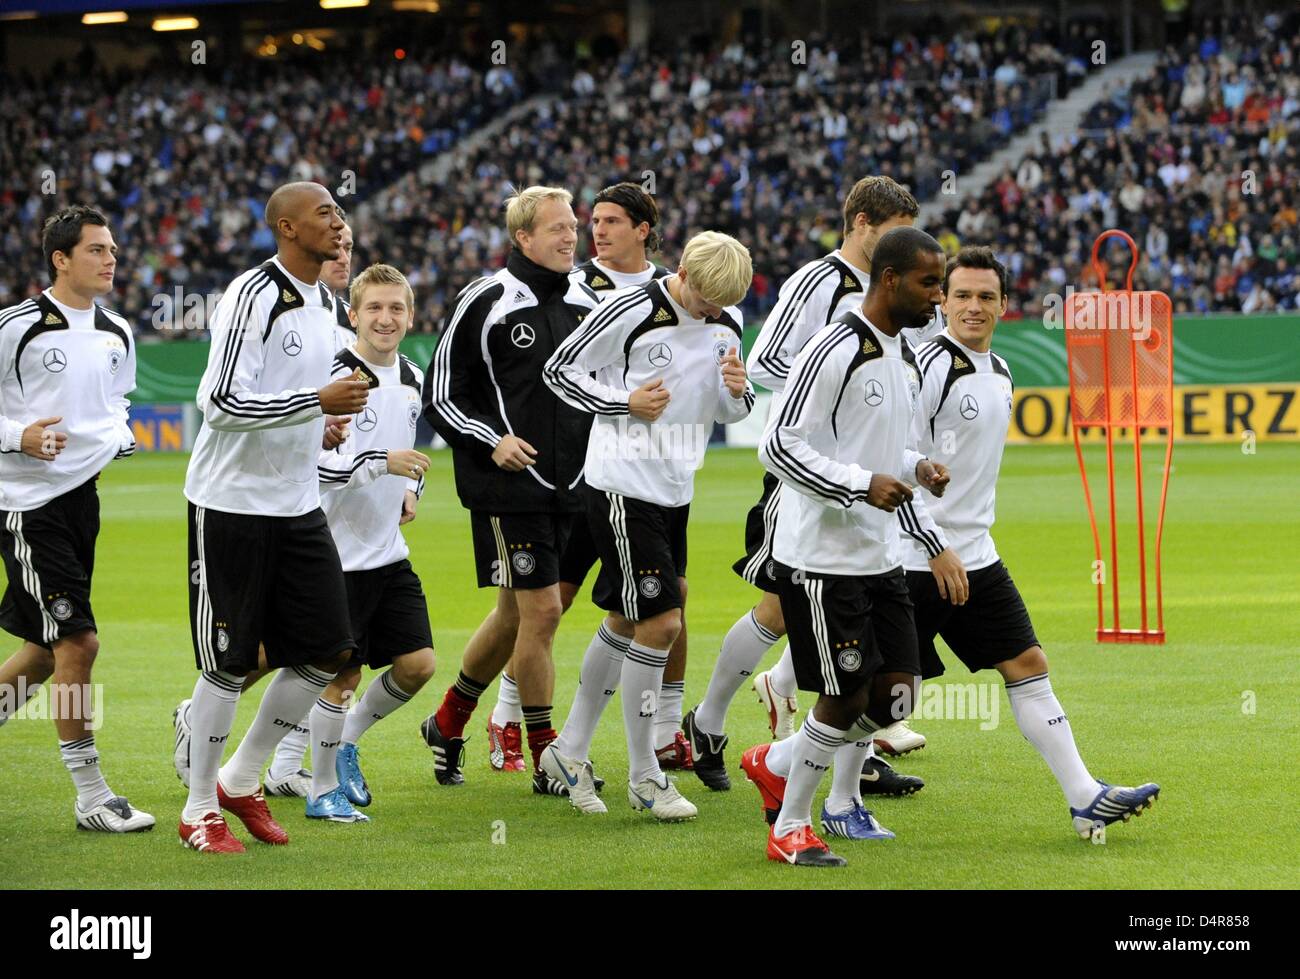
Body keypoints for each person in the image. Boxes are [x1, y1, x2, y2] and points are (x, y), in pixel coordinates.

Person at [688, 175, 932, 796]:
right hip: (804, 477)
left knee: (830, 608)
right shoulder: (818, 282)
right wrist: (832, 382)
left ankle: (841, 743)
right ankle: (712, 722)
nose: (900, 242)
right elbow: (768, 360)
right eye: (891, 230)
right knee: (780, 606)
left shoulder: (892, 293)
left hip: (862, 478)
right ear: (859, 223)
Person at [905, 246, 1160, 840]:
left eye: (985, 297)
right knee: (884, 696)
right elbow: (897, 460)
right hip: (913, 558)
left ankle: (1085, 796)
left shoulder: (999, 371)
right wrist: (931, 541)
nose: (973, 306)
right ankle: (788, 768)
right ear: (941, 299)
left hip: (975, 553)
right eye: (961, 294)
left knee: (1027, 664)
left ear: (1003, 305)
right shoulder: (925, 367)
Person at [740, 227, 950, 867]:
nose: (938, 297)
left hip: (880, 553)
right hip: (824, 559)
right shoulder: (833, 348)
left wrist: (917, 468)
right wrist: (863, 484)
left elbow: (881, 448)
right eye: (929, 283)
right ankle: (792, 827)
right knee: (847, 695)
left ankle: (773, 761)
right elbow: (775, 445)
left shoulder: (904, 354)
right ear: (889, 280)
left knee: (898, 697)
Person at [179, 181, 368, 854]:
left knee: (328, 652)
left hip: (296, 502)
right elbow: (223, 401)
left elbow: (284, 402)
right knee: (229, 661)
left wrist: (320, 424)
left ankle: (239, 776)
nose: (340, 224)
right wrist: (314, 398)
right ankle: (199, 806)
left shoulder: (325, 300)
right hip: (232, 504)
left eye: (341, 213)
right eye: (326, 213)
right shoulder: (252, 294)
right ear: (287, 228)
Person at [541, 230, 755, 818]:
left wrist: (740, 395)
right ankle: (645, 774)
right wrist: (622, 403)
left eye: (722, 305)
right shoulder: (630, 311)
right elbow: (558, 373)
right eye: (707, 300)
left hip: (675, 488)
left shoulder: (727, 323)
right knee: (662, 623)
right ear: (683, 271)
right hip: (621, 484)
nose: (713, 312)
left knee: (628, 617)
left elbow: (730, 407)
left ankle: (569, 749)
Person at [488, 182, 695, 777]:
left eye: (609, 222)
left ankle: (660, 731)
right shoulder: (577, 285)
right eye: (592, 221)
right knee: (558, 601)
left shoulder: (665, 292)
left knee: (666, 598)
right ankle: (509, 717)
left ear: (643, 229)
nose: (596, 232)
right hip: (583, 466)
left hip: (651, 470)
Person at [420, 185, 597, 795]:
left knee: (512, 614)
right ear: (522, 238)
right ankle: (549, 753)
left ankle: (448, 721)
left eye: (573, 226)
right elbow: (441, 393)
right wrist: (492, 439)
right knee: (543, 610)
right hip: (507, 486)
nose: (570, 236)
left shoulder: (586, 299)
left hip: (571, 485)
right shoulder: (486, 299)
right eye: (556, 228)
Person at [0, 204, 152, 833]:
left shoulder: (118, 331)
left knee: (42, 653)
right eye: (95, 249)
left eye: (112, 248)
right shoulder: (15, 327)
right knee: (78, 642)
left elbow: (116, 401)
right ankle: (92, 795)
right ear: (60, 259)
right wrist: (18, 438)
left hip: (80, 501)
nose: (110, 258)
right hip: (25, 504)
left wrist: (117, 435)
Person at [305, 262, 436, 822]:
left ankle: (346, 744)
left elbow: (409, 452)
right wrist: (383, 465)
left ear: (410, 317)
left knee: (419, 664)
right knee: (339, 674)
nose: (385, 318)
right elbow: (313, 466)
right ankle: (319, 788)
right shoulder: (332, 377)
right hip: (332, 551)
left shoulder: (411, 376)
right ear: (353, 315)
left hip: (386, 551)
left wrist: (410, 486)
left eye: (396, 308)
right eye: (374, 309)